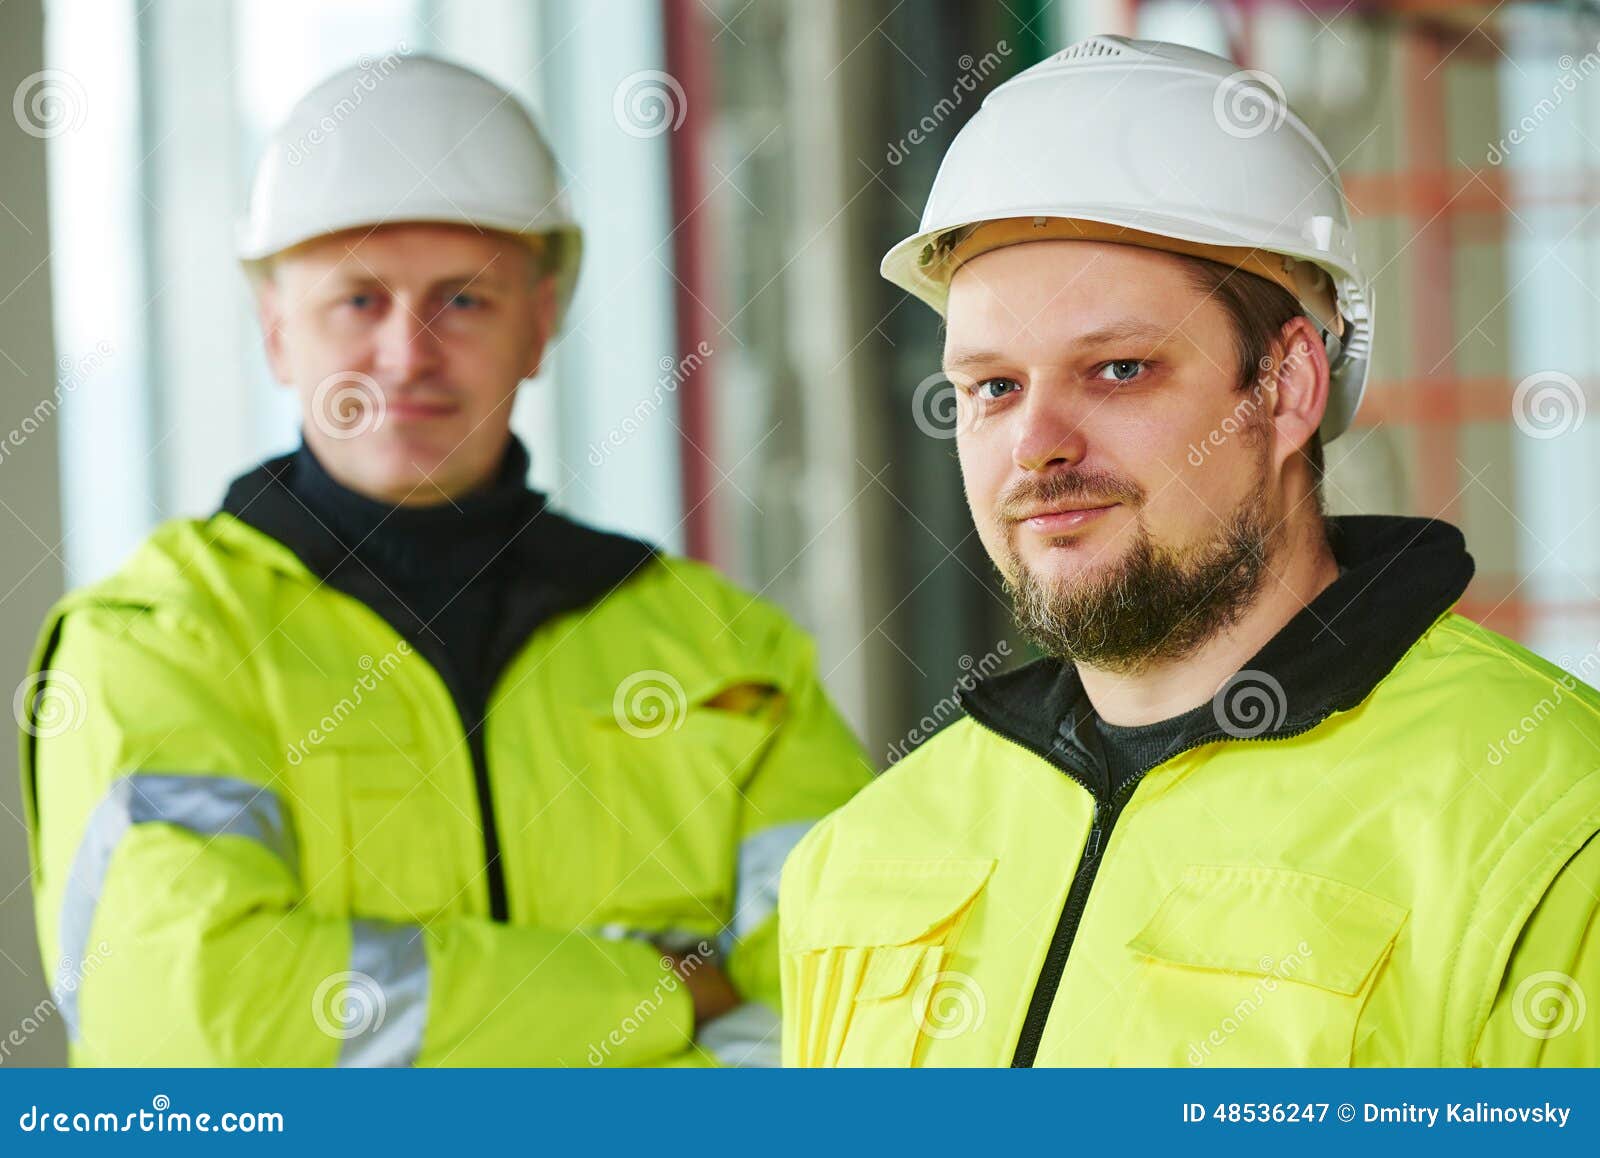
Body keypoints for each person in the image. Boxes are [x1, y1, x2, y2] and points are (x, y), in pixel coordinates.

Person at [20, 54, 869, 1067]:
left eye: (462, 300)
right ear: (276, 332)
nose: (408, 354)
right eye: (359, 300)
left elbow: (850, 1013)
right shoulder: (156, 641)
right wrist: (658, 989)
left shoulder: (727, 655)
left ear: (541, 323)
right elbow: (200, 1027)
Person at [779, 35, 1600, 1067]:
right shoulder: (867, 851)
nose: (1037, 445)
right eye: (992, 386)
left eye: (1118, 369)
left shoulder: (1552, 817)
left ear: (1287, 386)